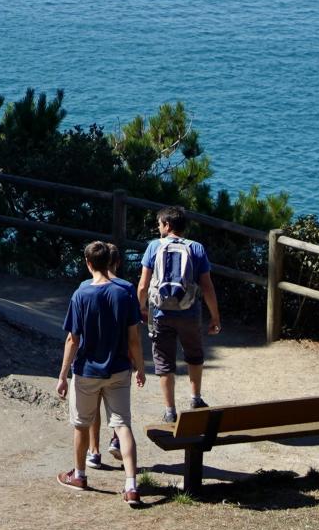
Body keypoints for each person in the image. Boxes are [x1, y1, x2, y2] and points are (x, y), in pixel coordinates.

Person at [56, 239, 146, 506]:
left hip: (86, 371)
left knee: (81, 424)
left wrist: (62, 375)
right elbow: (134, 338)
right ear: (110, 261)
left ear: (88, 263)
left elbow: (73, 339)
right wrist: (140, 367)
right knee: (122, 424)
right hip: (118, 369)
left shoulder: (81, 294)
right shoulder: (125, 292)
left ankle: (80, 475)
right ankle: (131, 485)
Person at [136, 206, 222, 421]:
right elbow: (207, 287)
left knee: (164, 361)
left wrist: (141, 308)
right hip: (189, 311)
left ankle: (170, 411)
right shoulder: (196, 248)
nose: (158, 228)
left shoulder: (154, 247)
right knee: (194, 354)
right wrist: (215, 317)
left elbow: (143, 285)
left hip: (160, 313)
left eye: (159, 224)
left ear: (167, 225)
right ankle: (195, 398)